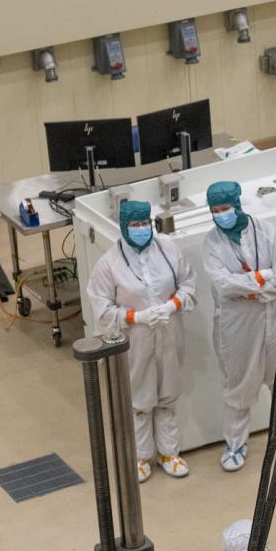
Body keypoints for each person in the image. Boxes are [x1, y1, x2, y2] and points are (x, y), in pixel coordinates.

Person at [86, 197, 196, 482]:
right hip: (136, 340)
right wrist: (137, 317)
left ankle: (169, 453)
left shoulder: (169, 250)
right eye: (135, 224)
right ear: (124, 226)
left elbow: (188, 283)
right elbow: (102, 308)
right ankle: (140, 457)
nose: (141, 228)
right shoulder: (108, 264)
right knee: (139, 399)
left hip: (170, 333)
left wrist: (172, 305)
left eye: (145, 223)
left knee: (167, 395)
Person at [202, 178, 276, 473]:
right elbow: (223, 284)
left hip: (275, 318)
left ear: (236, 204)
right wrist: (262, 279)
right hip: (237, 327)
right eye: (216, 209)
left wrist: (249, 287)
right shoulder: (212, 242)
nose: (222, 214)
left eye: (225, 207)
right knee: (238, 387)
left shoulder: (266, 232)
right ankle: (235, 445)